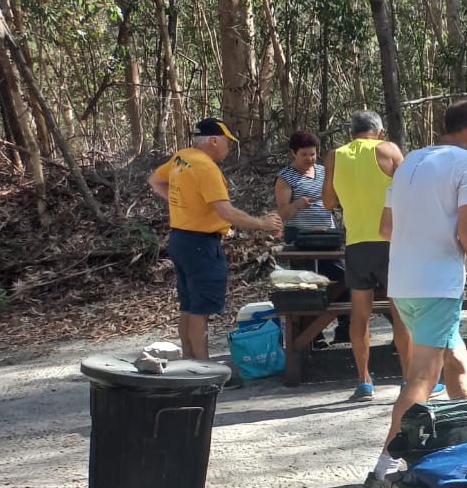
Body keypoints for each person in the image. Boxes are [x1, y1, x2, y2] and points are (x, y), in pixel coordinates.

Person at [360, 99, 467, 488]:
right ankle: (383, 473)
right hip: (436, 287)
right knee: (421, 380)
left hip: (403, 284)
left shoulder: (412, 160)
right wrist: (466, 259)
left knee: (456, 363)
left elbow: (386, 228)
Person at [147, 117, 282, 362]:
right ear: (213, 140)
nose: (228, 147)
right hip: (200, 244)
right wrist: (262, 223)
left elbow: (155, 181)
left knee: (188, 305)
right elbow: (226, 212)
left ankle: (189, 362)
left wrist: (184, 205)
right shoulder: (206, 167)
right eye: (226, 142)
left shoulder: (182, 157)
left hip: (180, 239)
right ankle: (203, 367)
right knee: (200, 310)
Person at [324, 111, 408, 401]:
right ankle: (408, 379)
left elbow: (328, 201)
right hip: (391, 242)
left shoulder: (335, 155)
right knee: (401, 313)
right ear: (380, 132)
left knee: (359, 315)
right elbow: (410, 190)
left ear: (352, 134)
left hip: (356, 243)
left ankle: (364, 381)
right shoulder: (389, 150)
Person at [275, 130, 348, 348]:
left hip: (328, 237)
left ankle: (345, 327)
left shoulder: (323, 172)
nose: (310, 159)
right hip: (300, 239)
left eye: (313, 154)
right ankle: (312, 335)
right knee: (307, 286)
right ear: (293, 154)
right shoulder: (285, 178)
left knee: (344, 279)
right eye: (304, 155)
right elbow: (282, 214)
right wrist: (297, 205)